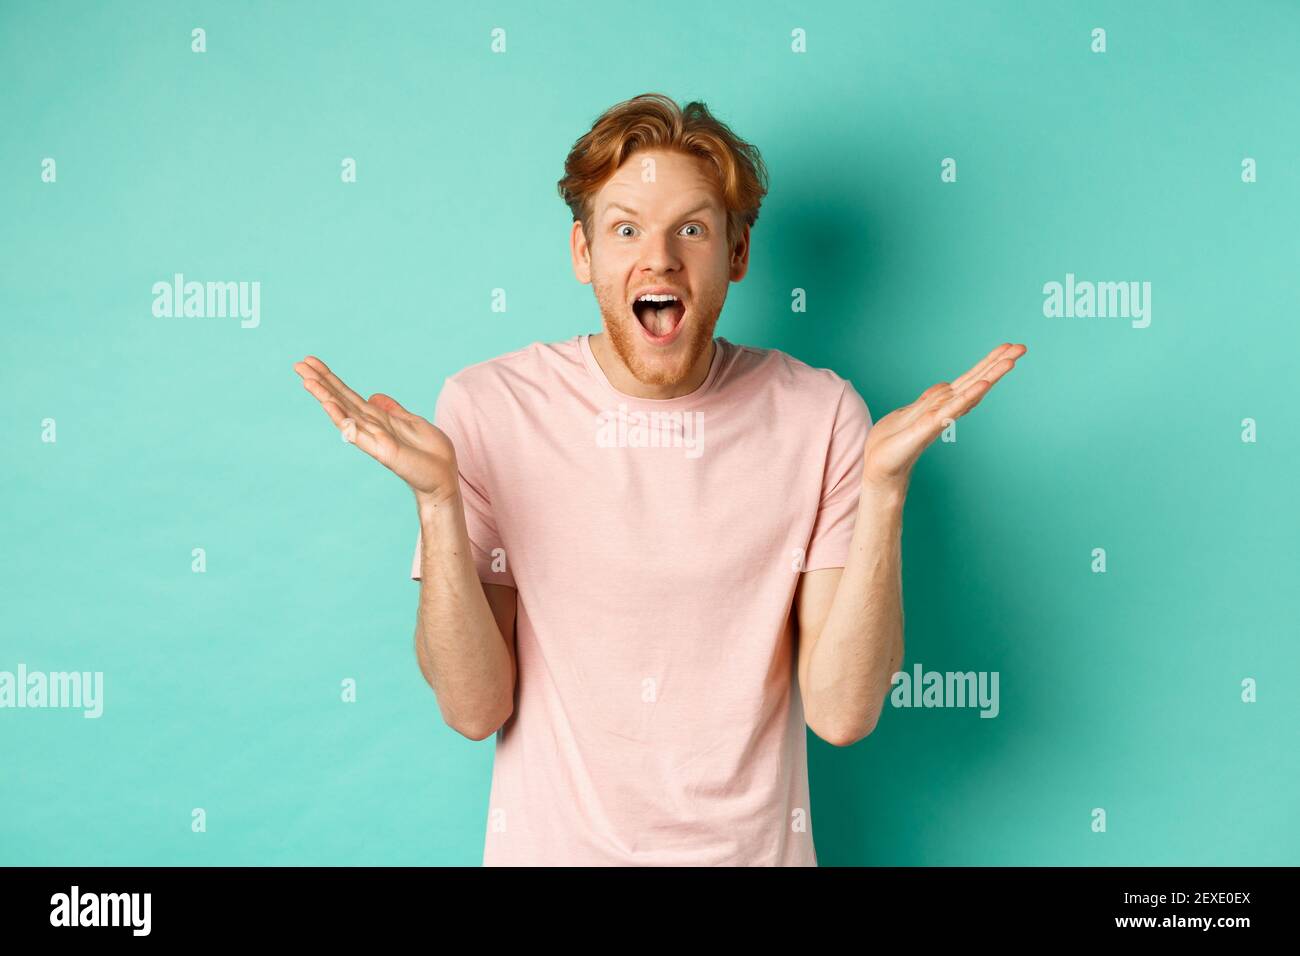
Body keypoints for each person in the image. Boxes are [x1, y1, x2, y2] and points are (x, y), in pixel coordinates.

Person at [293, 92, 1025, 866]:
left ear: (737, 254)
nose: (660, 258)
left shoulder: (822, 415)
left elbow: (843, 713)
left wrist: (884, 492)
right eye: (626, 228)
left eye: (693, 229)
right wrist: (438, 501)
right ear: (583, 254)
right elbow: (474, 709)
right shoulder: (488, 408)